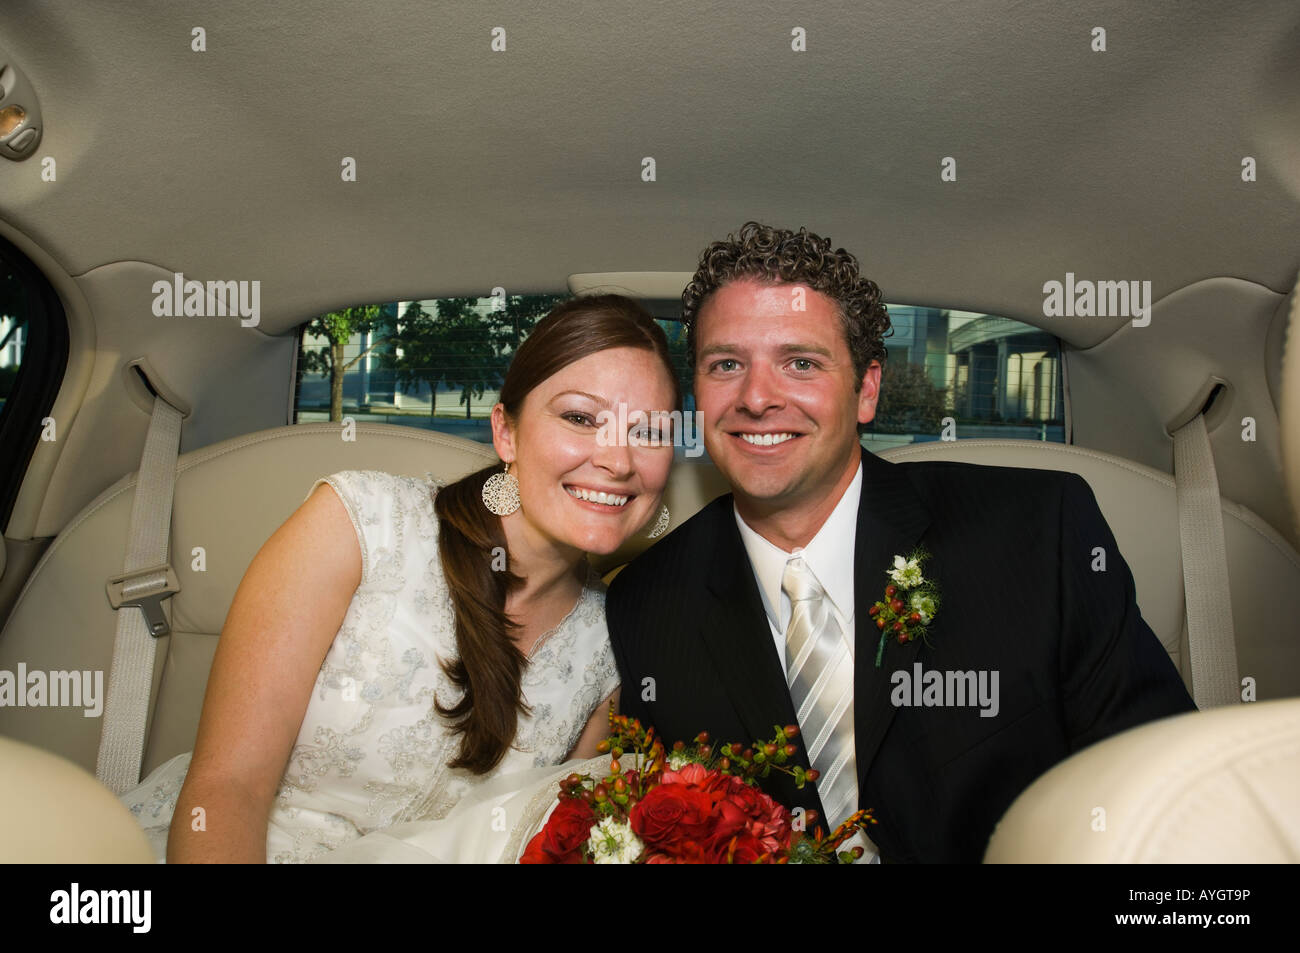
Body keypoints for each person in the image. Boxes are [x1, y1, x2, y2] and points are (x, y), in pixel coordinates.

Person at [603, 221, 1199, 863]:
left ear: (866, 390)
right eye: (726, 365)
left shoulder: (1035, 532)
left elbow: (1177, 796)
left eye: (800, 363)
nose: (756, 398)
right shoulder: (647, 600)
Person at [117, 294, 679, 863]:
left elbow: (540, 844)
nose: (618, 460)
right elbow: (227, 788)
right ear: (506, 432)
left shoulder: (612, 650)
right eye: (581, 418)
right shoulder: (360, 526)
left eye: (650, 431)